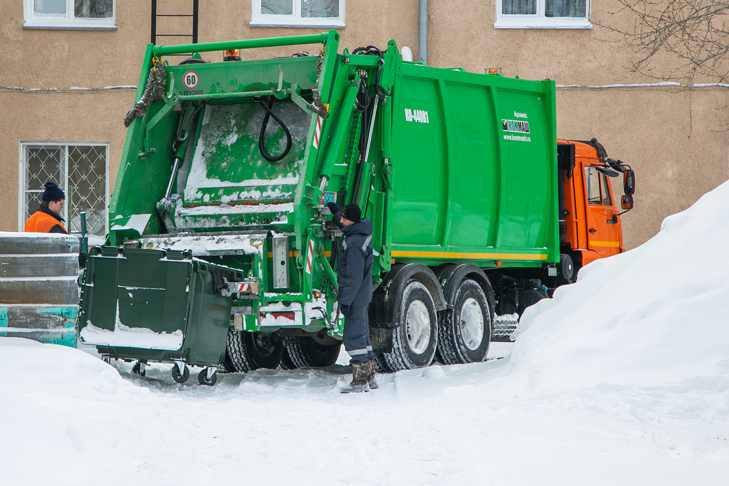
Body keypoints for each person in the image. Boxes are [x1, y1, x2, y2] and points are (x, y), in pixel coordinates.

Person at [327, 202, 377, 393]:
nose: (341, 220)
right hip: (363, 294)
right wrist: (335, 211)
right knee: (362, 335)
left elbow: (352, 277)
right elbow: (346, 223)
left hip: (355, 295)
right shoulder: (360, 232)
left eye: (343, 217)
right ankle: (371, 377)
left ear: (350, 220)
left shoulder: (354, 243)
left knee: (353, 338)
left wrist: (345, 300)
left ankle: (360, 381)